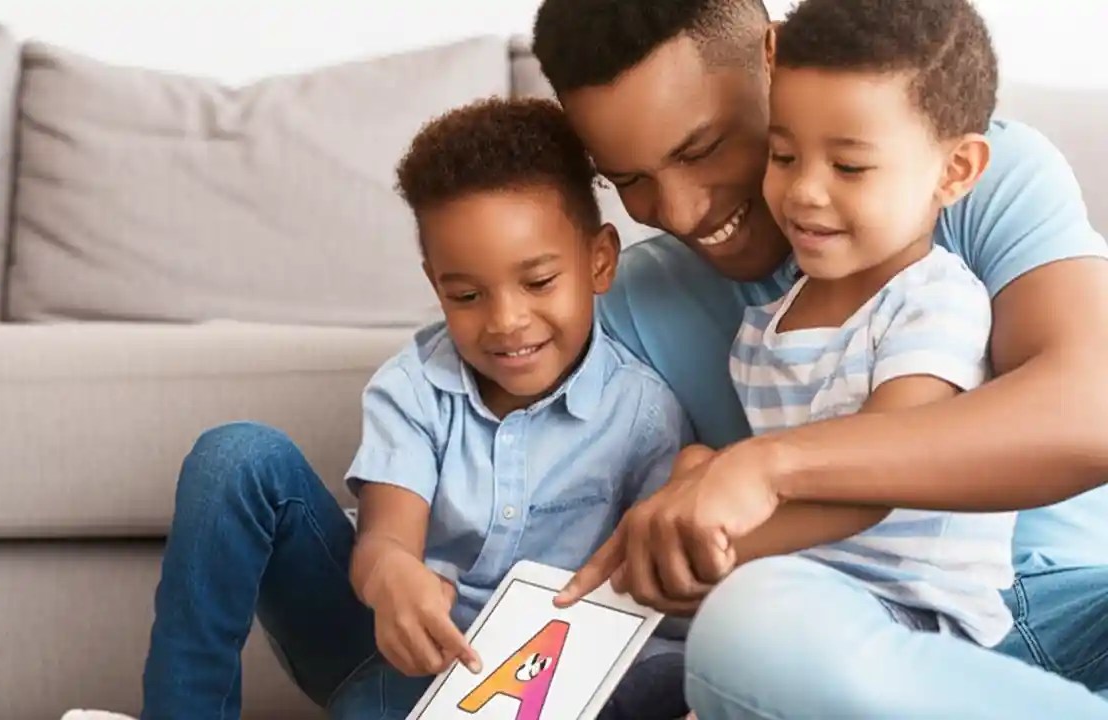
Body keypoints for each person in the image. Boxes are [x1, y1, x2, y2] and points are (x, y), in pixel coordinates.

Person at [531, 0, 1108, 717]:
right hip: (851, 644)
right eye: (629, 181)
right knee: (745, 629)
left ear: (773, 58)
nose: (679, 213)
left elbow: (1093, 412)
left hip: (1073, 608)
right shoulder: (634, 301)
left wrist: (768, 467)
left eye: (701, 148)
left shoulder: (957, 179)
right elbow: (456, 397)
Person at [141, 97, 696, 720]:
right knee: (235, 457)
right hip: (386, 648)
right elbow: (383, 539)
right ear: (436, 285)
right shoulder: (412, 389)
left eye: (538, 283)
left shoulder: (643, 411)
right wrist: (393, 577)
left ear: (599, 261)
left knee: (680, 670)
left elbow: (652, 596)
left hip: (541, 683)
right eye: (466, 294)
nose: (507, 321)